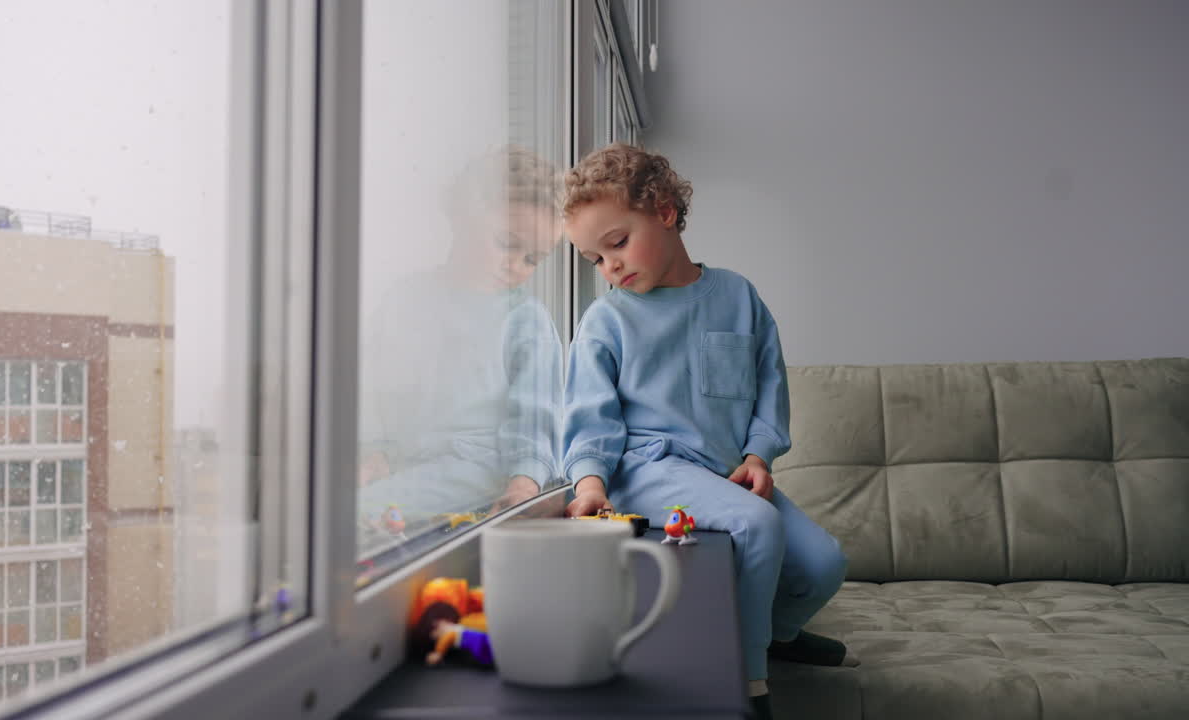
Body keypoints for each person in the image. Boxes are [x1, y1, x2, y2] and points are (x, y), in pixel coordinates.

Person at [559, 143, 856, 719]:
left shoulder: (739, 296)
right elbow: (590, 414)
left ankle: (776, 634)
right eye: (594, 258)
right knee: (756, 524)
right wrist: (590, 482)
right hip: (646, 469)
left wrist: (758, 455)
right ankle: (745, 681)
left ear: (665, 211)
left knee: (825, 564)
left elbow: (769, 387)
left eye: (617, 243)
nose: (609, 266)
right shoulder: (606, 319)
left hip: (722, 472)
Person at [356, 145, 564, 556]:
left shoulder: (526, 320)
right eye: (506, 243)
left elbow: (536, 416)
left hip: (477, 471)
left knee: (353, 511)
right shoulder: (404, 298)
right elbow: (368, 385)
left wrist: (525, 481)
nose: (516, 265)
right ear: (462, 214)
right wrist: (373, 449)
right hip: (401, 462)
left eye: (532, 258)